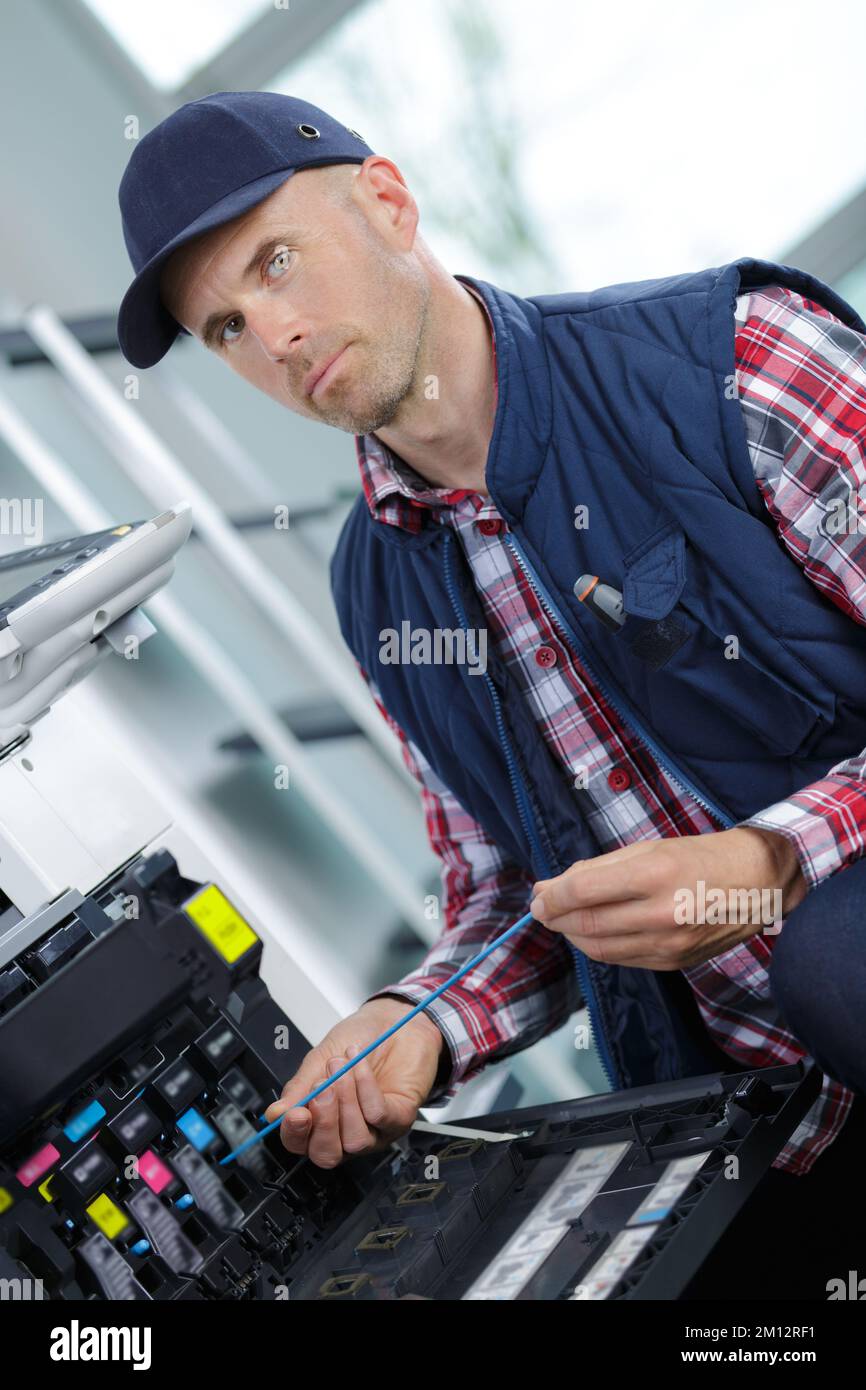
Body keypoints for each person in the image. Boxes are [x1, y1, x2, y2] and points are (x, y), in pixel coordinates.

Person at [117, 92, 866, 1298]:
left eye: (278, 260)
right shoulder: (374, 587)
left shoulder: (734, 360)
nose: (277, 336)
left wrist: (768, 864)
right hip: (762, 1122)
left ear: (389, 201)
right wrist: (420, 1018)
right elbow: (509, 897)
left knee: (834, 955)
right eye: (226, 328)